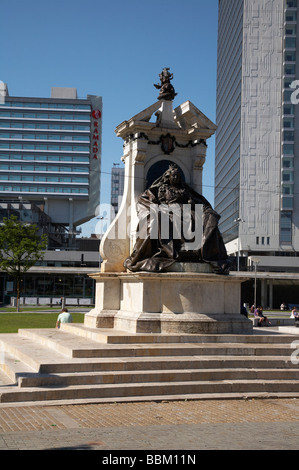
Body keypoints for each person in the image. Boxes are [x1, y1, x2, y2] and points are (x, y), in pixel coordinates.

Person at [124, 163, 231, 275]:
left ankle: (199, 252)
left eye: (177, 175)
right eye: (173, 175)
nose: (175, 177)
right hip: (169, 210)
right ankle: (175, 250)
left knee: (203, 219)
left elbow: (196, 200)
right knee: (167, 219)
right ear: (168, 177)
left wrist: (193, 204)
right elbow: (158, 201)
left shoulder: (185, 189)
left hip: (187, 211)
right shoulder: (163, 188)